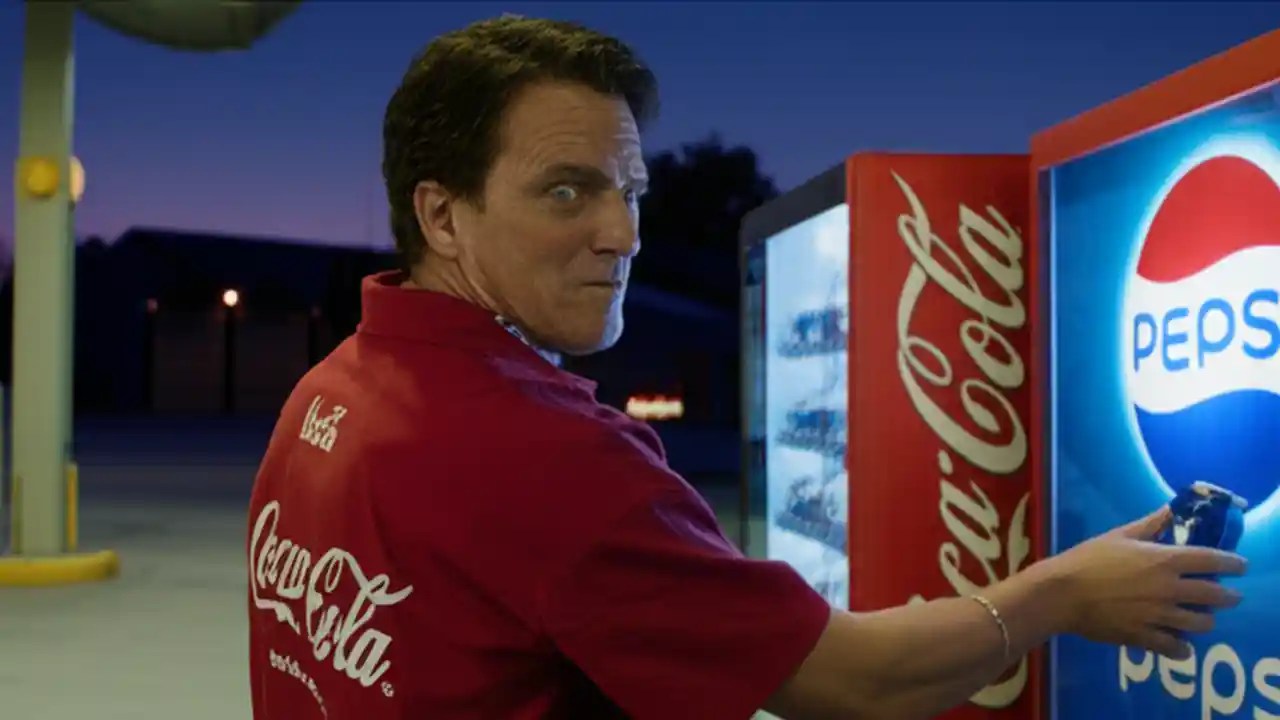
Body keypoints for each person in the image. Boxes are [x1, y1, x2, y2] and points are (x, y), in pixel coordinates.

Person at [246, 15, 1247, 720]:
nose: (619, 235)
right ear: (439, 215)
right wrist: (1058, 595)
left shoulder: (331, 388)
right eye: (565, 192)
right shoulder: (546, 456)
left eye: (628, 192)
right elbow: (856, 686)